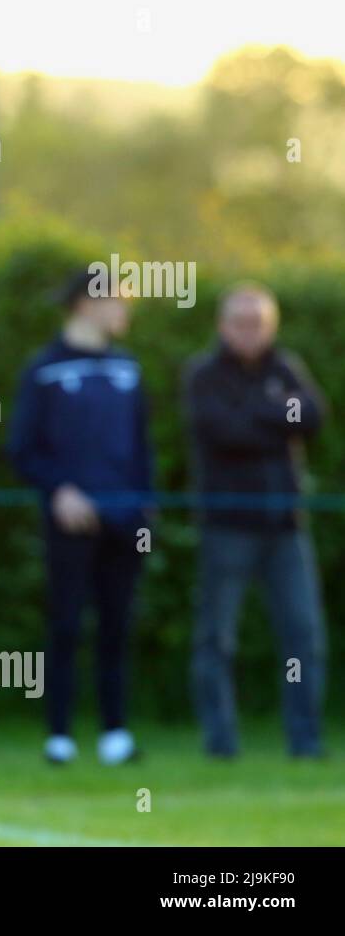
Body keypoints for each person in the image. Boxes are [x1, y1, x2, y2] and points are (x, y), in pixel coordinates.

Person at [6, 270, 152, 766]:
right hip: (68, 525)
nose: (124, 309)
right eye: (118, 299)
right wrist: (61, 492)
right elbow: (21, 449)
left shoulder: (129, 368)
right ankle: (60, 736)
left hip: (124, 522)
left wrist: (142, 507)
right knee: (65, 625)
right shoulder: (43, 369)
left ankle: (116, 734)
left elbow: (142, 450)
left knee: (117, 626)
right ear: (88, 303)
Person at [184, 283, 327, 758]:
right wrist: (274, 415)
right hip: (227, 526)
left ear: (272, 326)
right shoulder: (203, 374)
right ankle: (220, 741)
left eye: (258, 323)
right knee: (217, 637)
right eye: (240, 323)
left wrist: (258, 413)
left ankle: (305, 740)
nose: (250, 333)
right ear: (222, 326)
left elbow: (311, 414)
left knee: (302, 634)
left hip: (286, 525)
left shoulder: (285, 367)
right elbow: (221, 429)